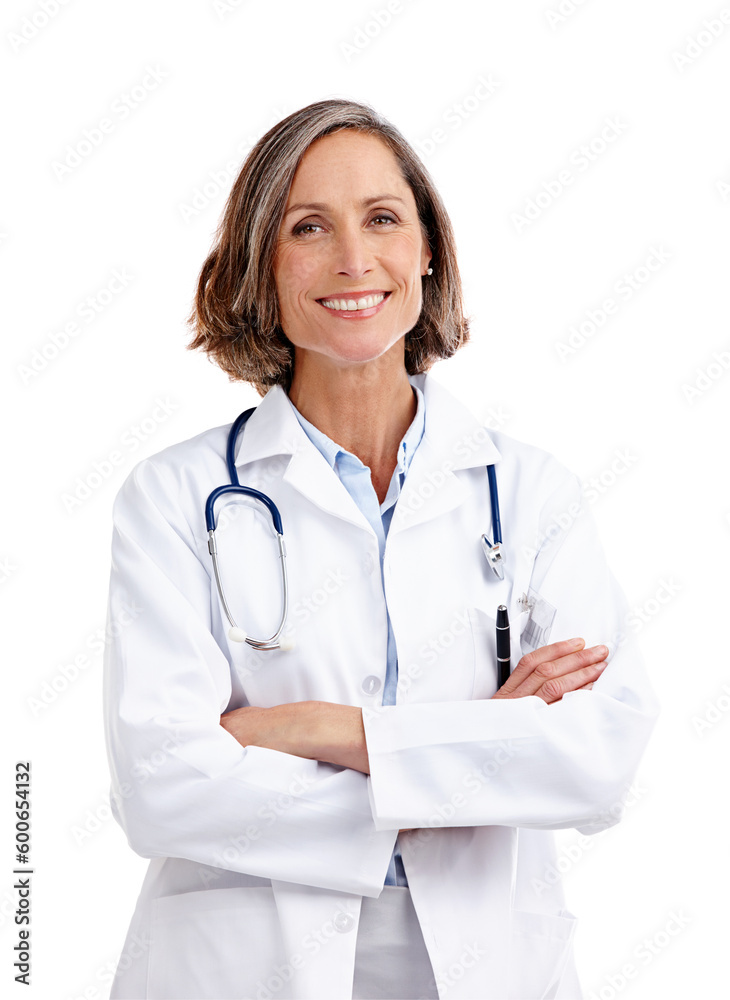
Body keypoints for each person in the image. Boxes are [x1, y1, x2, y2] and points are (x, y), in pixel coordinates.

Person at [102, 98, 659, 1000]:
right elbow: (162, 785)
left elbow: (597, 760)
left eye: (383, 219)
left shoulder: (529, 494)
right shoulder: (175, 497)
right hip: (245, 969)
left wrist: (327, 733)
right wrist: (482, 759)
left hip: (490, 964)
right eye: (308, 226)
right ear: (262, 266)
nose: (353, 260)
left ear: (427, 249)